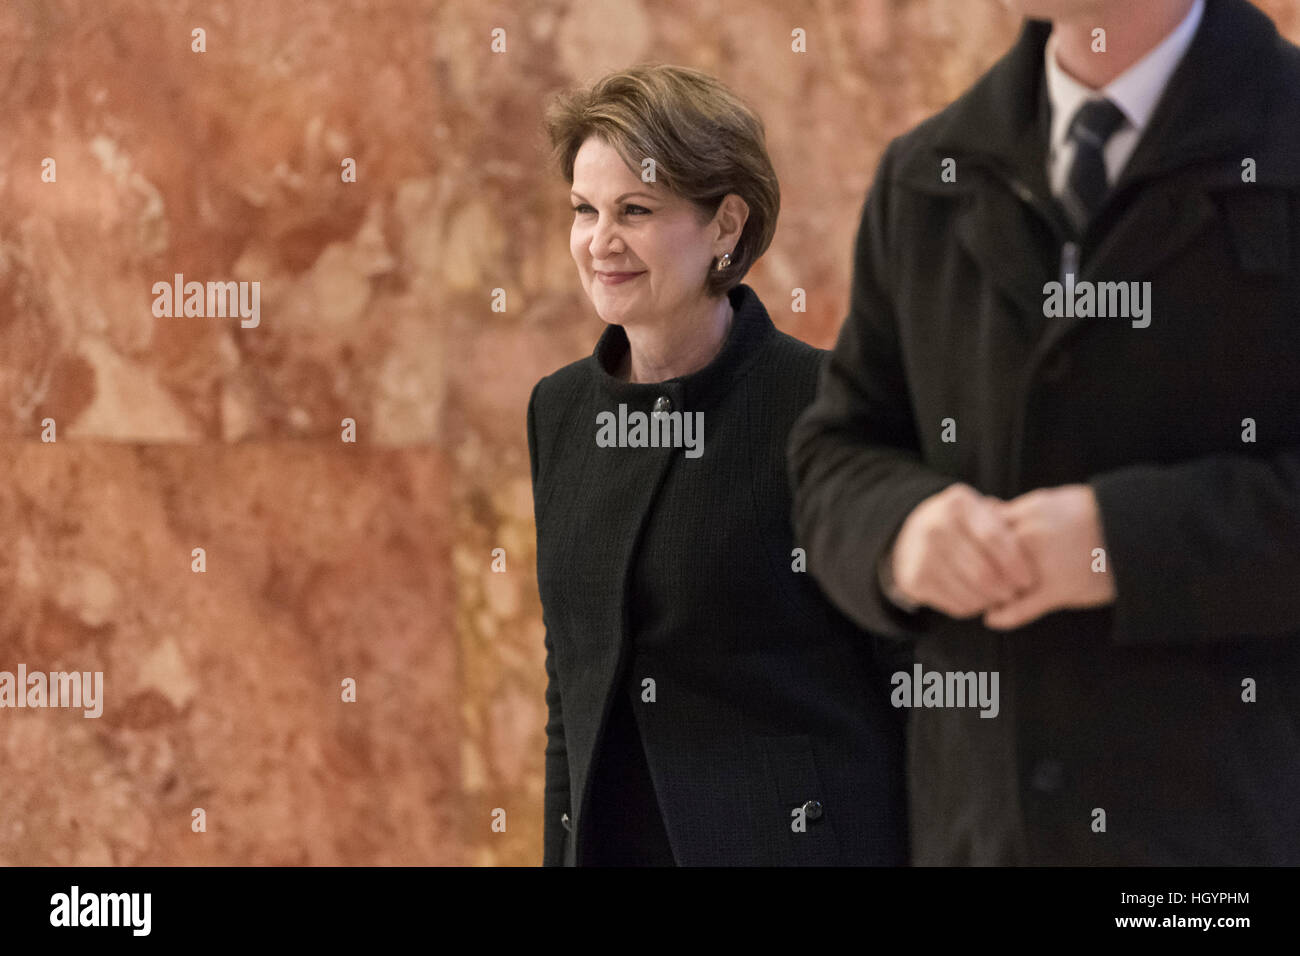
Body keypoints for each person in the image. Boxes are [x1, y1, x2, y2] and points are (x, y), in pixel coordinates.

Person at [789, 0, 1300, 865]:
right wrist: (902, 531)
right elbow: (836, 452)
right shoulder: (925, 176)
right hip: (982, 831)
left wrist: (1122, 541)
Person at [529, 64, 908, 866]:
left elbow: (912, 683)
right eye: (584, 210)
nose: (600, 242)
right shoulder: (558, 411)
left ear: (726, 224)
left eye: (635, 210)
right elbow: (572, 683)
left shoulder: (826, 406)